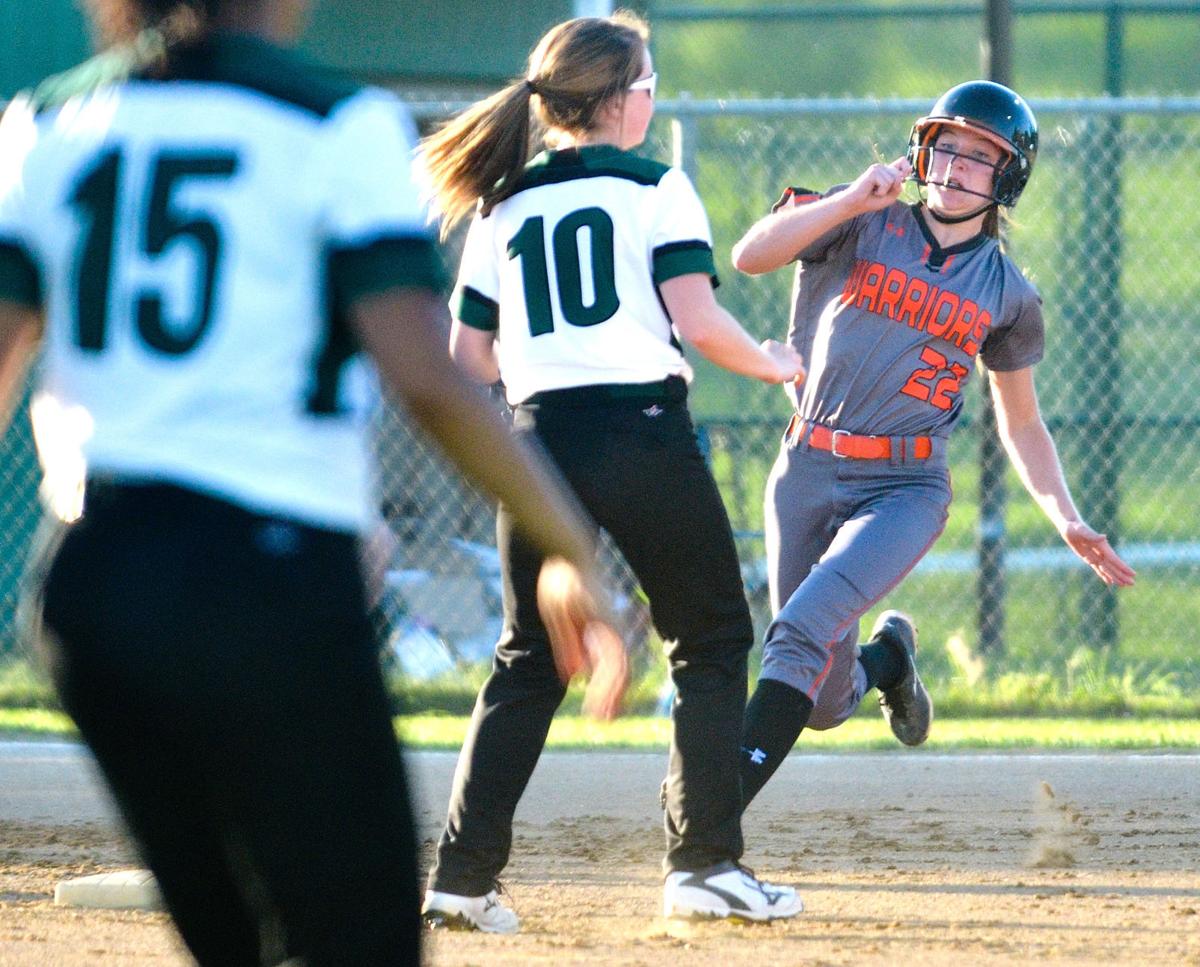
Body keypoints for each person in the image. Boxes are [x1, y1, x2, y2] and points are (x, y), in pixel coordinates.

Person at [0, 1, 612, 963]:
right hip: (267, 578)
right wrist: (569, 541)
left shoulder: (44, 122)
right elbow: (428, 379)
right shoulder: (333, 121)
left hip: (92, 584)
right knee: (355, 942)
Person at [418, 11, 807, 932]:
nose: (652, 101)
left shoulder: (501, 200)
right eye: (647, 86)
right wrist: (777, 361)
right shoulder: (655, 185)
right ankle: (704, 863)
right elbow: (702, 324)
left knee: (523, 661)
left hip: (536, 440)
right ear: (618, 100)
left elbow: (467, 356)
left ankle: (460, 879)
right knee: (709, 641)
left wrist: (549, 378)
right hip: (640, 431)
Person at [729, 80, 1137, 808]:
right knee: (822, 702)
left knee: (797, 629)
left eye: (979, 157)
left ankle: (710, 813)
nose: (954, 166)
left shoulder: (1008, 292)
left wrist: (1064, 513)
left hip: (903, 489)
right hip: (806, 467)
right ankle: (889, 660)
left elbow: (1021, 423)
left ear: (1008, 179)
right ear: (922, 149)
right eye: (945, 146)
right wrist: (852, 198)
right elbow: (750, 254)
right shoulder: (861, 217)